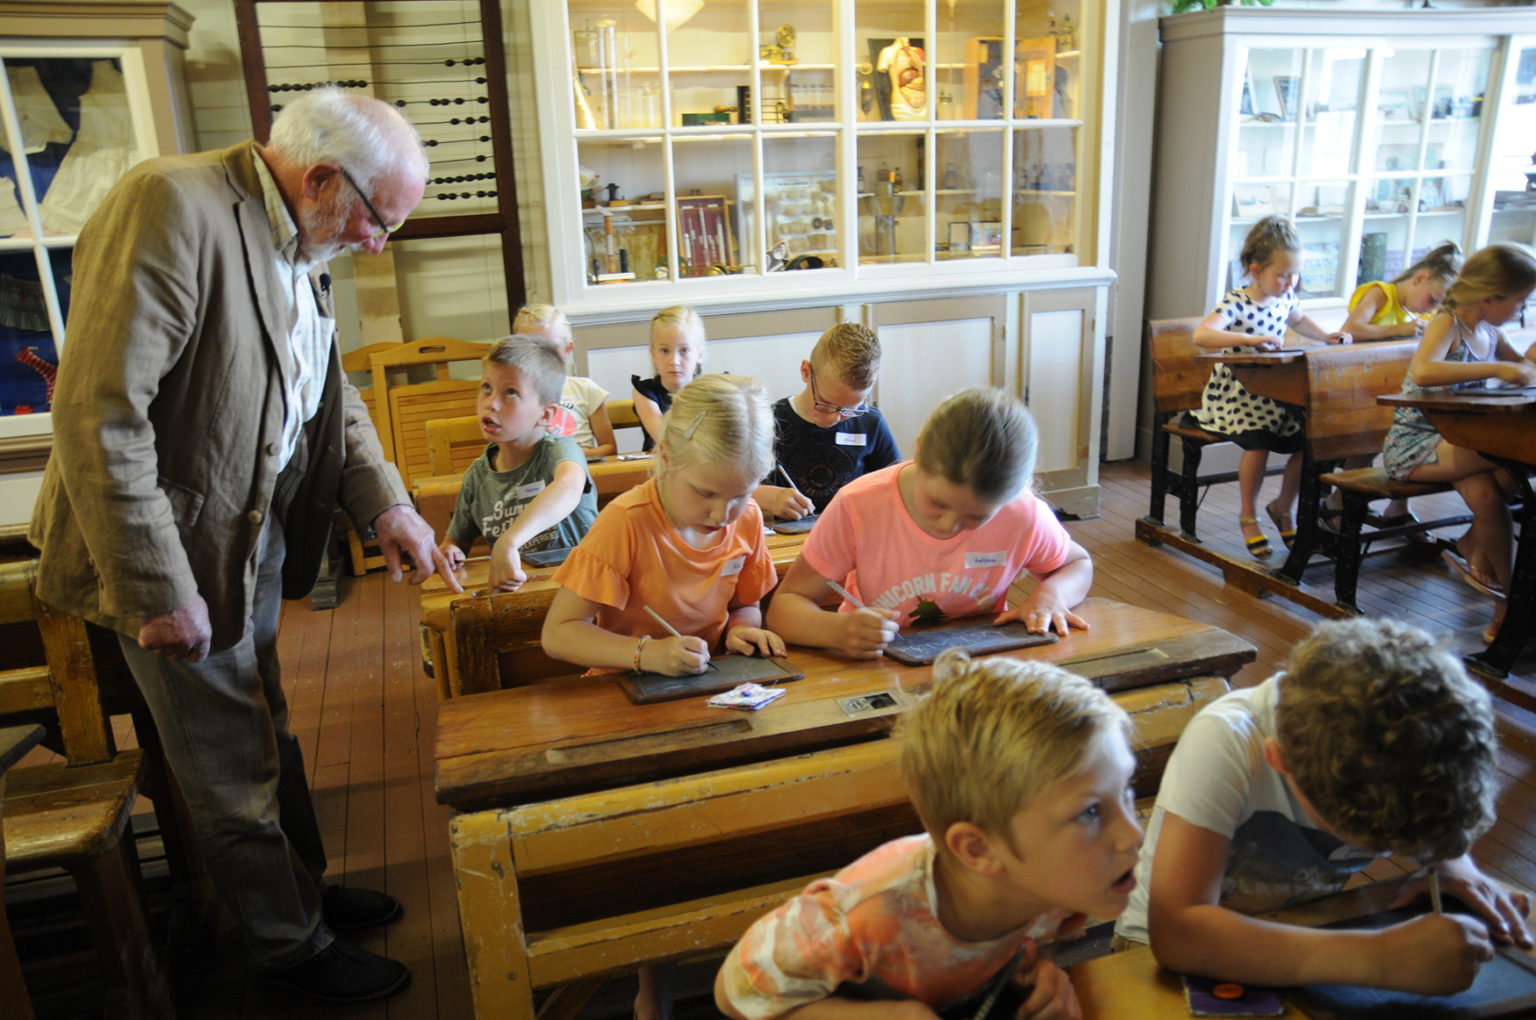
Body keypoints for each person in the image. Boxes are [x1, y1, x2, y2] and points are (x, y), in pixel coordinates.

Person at [27, 87, 460, 1001]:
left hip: (248, 535)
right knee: (227, 766)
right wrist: (157, 588)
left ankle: (300, 895)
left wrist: (386, 506)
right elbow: (100, 416)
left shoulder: (305, 231)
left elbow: (323, 394)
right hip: (170, 554)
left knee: (271, 735)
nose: (378, 243)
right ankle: (286, 952)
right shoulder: (172, 205)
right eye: (380, 221)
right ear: (321, 178)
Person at [714, 649, 1142, 1020]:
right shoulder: (869, 912)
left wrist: (1036, 969)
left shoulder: (1058, 884)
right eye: (1089, 812)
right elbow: (736, 992)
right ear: (978, 850)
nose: (1133, 834)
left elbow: (1027, 939)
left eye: (1126, 790)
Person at [1115, 617, 1530, 996]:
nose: (1383, 853)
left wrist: (1450, 860)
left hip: (1302, 929)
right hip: (1156, 956)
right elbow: (1179, 933)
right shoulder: (1228, 741)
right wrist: (1380, 958)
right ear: (1278, 760)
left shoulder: (1403, 712)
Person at [542, 373, 785, 1020]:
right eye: (706, 493)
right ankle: (654, 979)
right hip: (623, 700)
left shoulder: (746, 517)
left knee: (763, 807)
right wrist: (645, 653)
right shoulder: (626, 522)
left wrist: (746, 629)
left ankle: (754, 948)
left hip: (710, 693)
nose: (721, 513)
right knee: (658, 844)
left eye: (739, 496)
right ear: (667, 457)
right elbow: (559, 634)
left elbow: (748, 598)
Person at [764, 387, 1093, 659]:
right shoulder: (858, 505)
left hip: (981, 662)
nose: (950, 524)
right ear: (919, 451)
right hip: (876, 660)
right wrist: (837, 631)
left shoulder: (1022, 513)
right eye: (938, 503)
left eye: (975, 517)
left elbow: (1078, 564)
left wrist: (1051, 595)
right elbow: (784, 609)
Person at [1381, 242, 1536, 642]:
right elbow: (1425, 369)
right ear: (1489, 298)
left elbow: (1525, 369)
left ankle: (1482, 560)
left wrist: (1525, 362)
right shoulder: (1447, 323)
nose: (1522, 311)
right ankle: (1509, 599)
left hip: (1460, 440)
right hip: (1417, 444)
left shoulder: (1490, 330)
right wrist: (1501, 366)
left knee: (1490, 493)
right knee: (1505, 461)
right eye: (1520, 302)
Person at [1191, 215, 1350, 560]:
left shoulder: (1286, 298)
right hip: (1236, 395)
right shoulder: (1238, 301)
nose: (1290, 282)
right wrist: (1250, 338)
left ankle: (1283, 505)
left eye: (1295, 274)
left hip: (1274, 394)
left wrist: (1326, 336)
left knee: (1310, 442)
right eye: (1282, 274)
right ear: (1255, 269)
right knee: (1259, 442)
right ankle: (1248, 515)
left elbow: (1299, 319)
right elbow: (1201, 335)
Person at [437, 335, 599, 591]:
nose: (491, 403)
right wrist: (450, 552)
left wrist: (509, 541)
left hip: (582, 593)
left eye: (510, 393)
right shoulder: (477, 477)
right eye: (486, 387)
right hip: (517, 596)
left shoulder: (559, 451)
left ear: (545, 415)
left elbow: (568, 487)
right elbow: (455, 542)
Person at [1325, 243, 1464, 535]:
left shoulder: (1419, 316)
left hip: (1383, 394)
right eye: (1431, 299)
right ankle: (1341, 499)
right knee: (1373, 436)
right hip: (1354, 390)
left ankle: (1396, 507)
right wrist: (1399, 330)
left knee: (1410, 431)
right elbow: (1353, 328)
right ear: (1419, 278)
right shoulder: (1381, 293)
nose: (1430, 308)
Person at [752, 323, 900, 521]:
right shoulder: (768, 422)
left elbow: (898, 488)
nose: (834, 418)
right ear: (806, 372)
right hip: (785, 544)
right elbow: (728, 492)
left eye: (849, 410)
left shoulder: (870, 423)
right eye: (825, 404)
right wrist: (767, 498)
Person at [513, 302, 618, 458]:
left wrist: (577, 455)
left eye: (550, 347)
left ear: (568, 349)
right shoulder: (515, 395)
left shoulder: (585, 389)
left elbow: (609, 448)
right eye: (531, 347)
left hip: (583, 471)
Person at [632, 305, 706, 451]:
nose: (674, 361)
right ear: (653, 354)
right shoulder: (645, 393)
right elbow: (665, 439)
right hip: (661, 468)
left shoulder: (709, 391)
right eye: (664, 350)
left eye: (684, 350)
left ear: (699, 354)